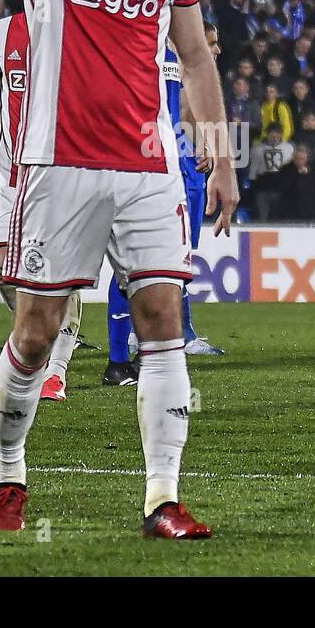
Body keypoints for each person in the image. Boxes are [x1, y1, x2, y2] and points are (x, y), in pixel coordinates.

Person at [0, 0, 238, 537]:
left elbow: (195, 55)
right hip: (58, 167)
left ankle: (162, 497)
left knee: (162, 321)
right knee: (35, 332)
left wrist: (220, 158)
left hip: (149, 166)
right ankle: (8, 474)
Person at [0, 12, 87, 402]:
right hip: (13, 177)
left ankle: (56, 371)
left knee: (62, 272)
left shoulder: (77, 27)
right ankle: (39, 333)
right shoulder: (2, 32)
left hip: (62, 174)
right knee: (1, 267)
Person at [106, 24, 227, 382]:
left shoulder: (179, 62)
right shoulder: (152, 49)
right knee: (137, 260)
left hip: (175, 160)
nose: (216, 50)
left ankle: (166, 338)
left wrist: (202, 143)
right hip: (147, 162)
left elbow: (183, 111)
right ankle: (119, 348)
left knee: (173, 257)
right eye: (212, 42)